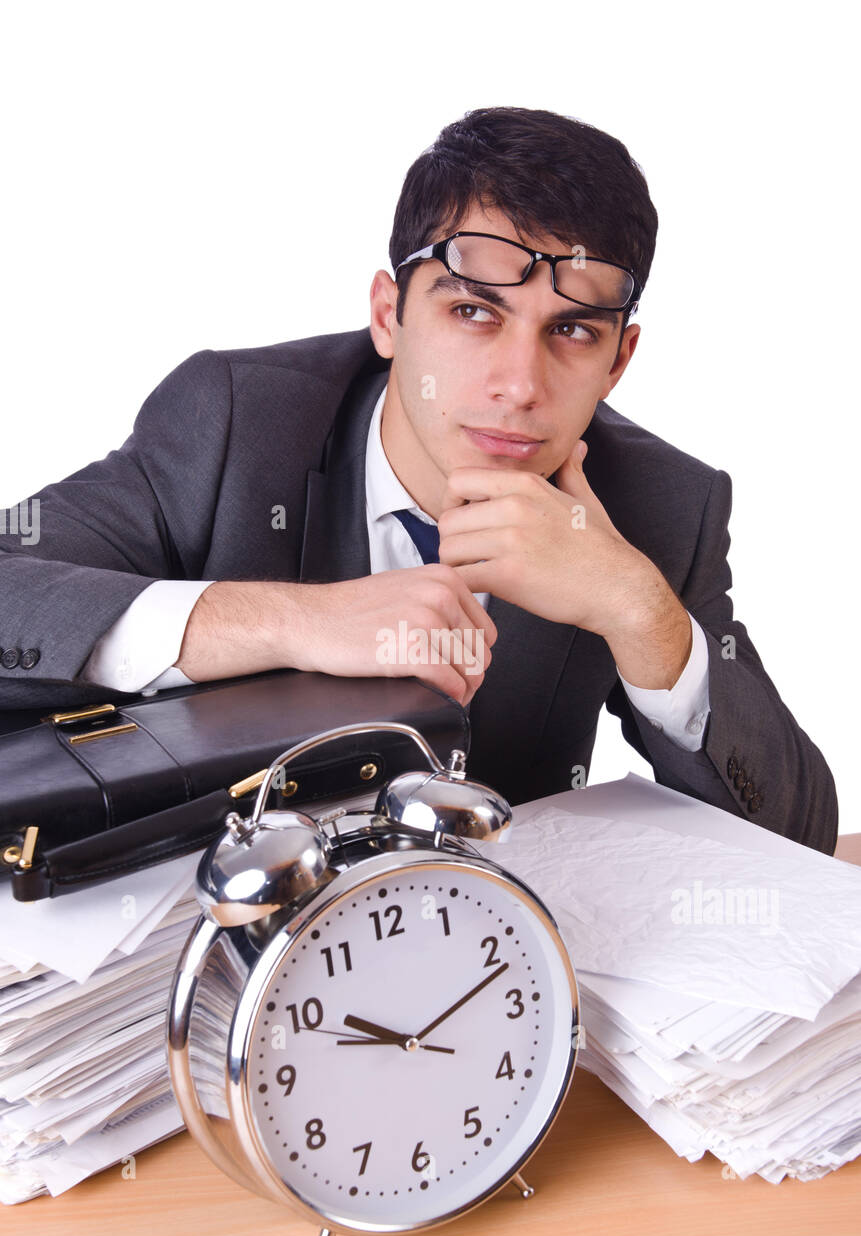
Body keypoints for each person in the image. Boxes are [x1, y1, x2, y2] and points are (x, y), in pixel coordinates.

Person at [0, 107, 838, 852]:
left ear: (618, 360)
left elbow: (799, 839)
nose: (519, 384)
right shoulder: (233, 422)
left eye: (573, 331)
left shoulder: (659, 504)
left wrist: (638, 609)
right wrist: (292, 622)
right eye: (472, 311)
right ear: (388, 315)